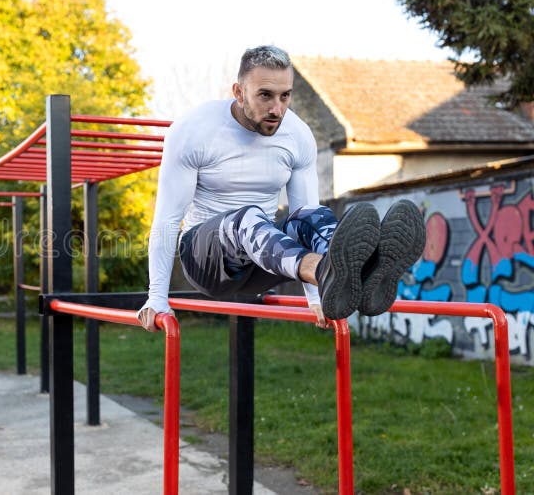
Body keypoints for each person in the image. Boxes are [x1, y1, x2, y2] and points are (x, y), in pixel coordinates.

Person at [138, 45, 426, 331]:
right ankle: (324, 271)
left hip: (264, 255)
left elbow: (306, 216)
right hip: (206, 261)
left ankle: (363, 274)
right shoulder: (193, 130)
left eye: (285, 96)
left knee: (312, 216)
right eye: (265, 95)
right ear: (238, 92)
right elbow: (167, 219)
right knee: (247, 218)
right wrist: (157, 297)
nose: (277, 109)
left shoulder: (297, 134)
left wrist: (317, 299)